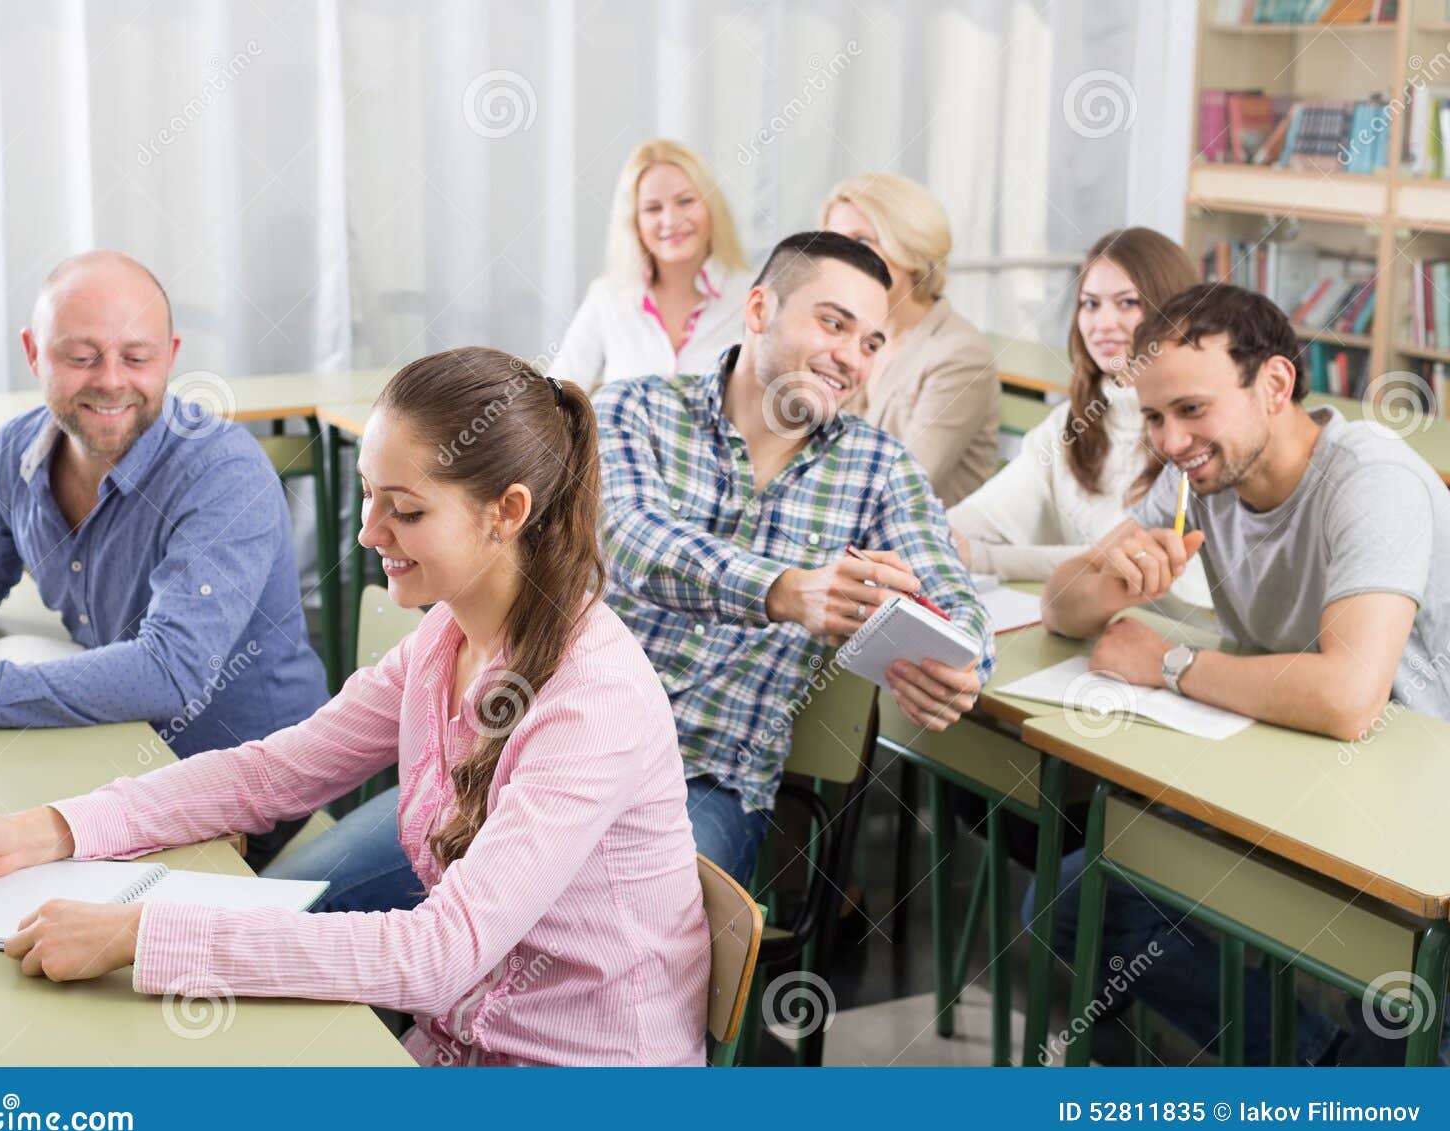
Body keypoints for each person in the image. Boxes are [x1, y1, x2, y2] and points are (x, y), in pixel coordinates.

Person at [0, 349, 710, 1068]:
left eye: (406, 509)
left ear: (509, 512)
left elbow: (440, 953)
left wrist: (142, 934)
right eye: (368, 495)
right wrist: (41, 831)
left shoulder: (591, 699)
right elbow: (274, 772)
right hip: (457, 1050)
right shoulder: (447, 637)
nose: (368, 532)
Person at [1036, 282, 1450, 1064]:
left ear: (1275, 384)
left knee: (1400, 1037)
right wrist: (1113, 581)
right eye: (1154, 416)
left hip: (1416, 816)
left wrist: (1170, 663)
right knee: (1069, 901)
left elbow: (1347, 698)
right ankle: (1313, 1063)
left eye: (1191, 409)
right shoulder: (1199, 474)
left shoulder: (1372, 479)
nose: (1170, 439)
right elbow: (1060, 607)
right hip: (1285, 769)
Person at [0, 251, 327, 871]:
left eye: (136, 357)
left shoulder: (222, 473)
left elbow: (168, 671)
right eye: (80, 357)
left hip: (243, 786)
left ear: (170, 356)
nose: (110, 380)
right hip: (117, 750)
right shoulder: (17, 448)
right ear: (33, 353)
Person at [593, 230, 994, 882]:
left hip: (707, 781)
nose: (851, 358)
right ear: (759, 311)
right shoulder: (633, 408)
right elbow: (631, 540)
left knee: (627, 913)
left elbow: (953, 595)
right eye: (834, 324)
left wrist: (961, 662)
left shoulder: (881, 470)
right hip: (559, 741)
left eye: (871, 343)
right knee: (419, 887)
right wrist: (783, 590)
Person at [950, 227, 1210, 611]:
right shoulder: (1070, 423)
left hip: (1174, 630)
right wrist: (930, 534)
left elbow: (1115, 562)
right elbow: (983, 514)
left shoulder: (1196, 434)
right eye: (1090, 304)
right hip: (1086, 625)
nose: (1103, 323)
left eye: (1127, 303)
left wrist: (983, 557)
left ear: (1172, 312)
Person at [820, 172, 996, 508]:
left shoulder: (960, 354)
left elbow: (903, 484)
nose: (841, 260)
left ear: (911, 249)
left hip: (917, 533)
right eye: (832, 243)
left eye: (861, 243)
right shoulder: (847, 335)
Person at [550, 139, 748, 390]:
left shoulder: (750, 296)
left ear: (712, 207)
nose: (671, 220)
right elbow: (557, 392)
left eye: (686, 201)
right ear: (634, 222)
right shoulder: (607, 297)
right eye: (653, 208)